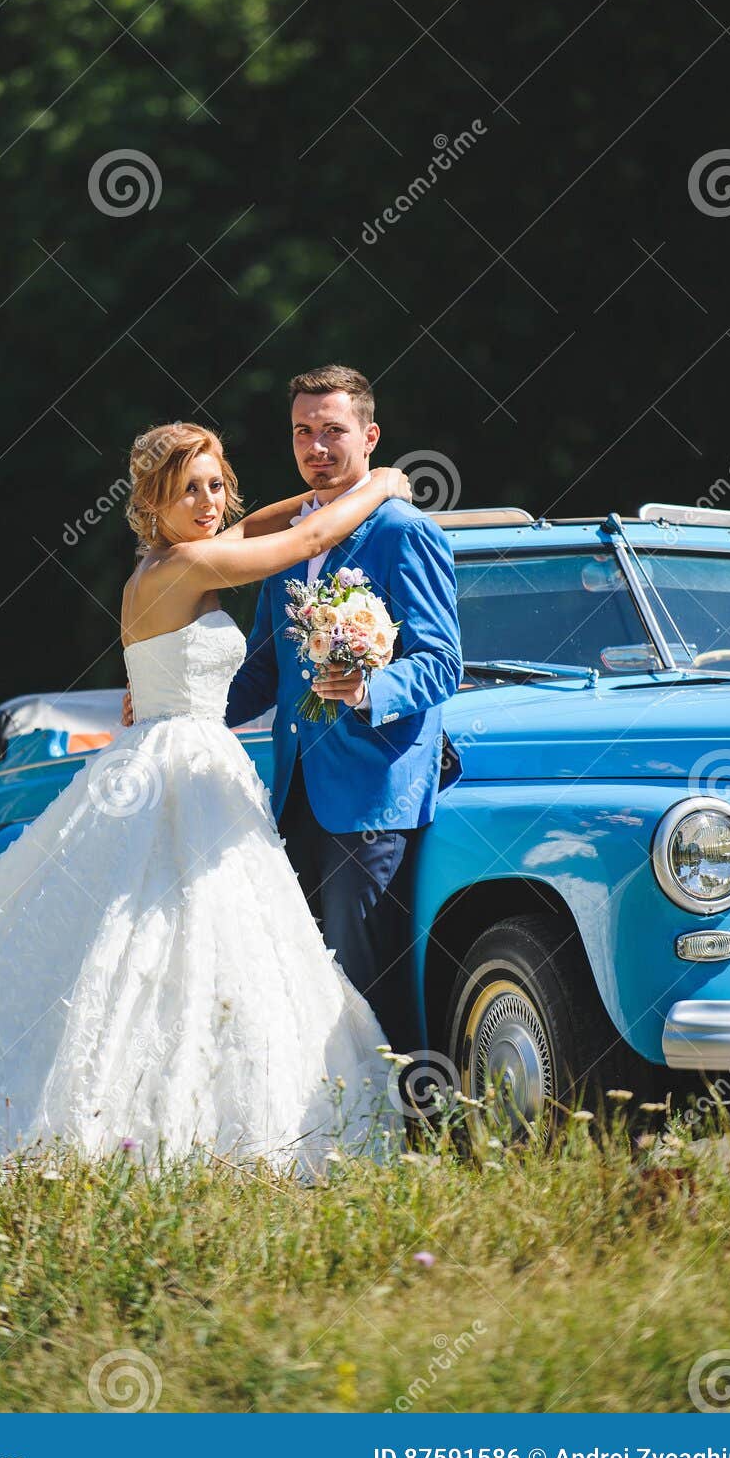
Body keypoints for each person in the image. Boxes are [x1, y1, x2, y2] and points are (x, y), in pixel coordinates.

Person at [0, 422, 412, 1175]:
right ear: (153, 503)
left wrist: (315, 493)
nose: (207, 503)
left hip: (180, 755)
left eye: (212, 483)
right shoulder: (187, 566)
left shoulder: (179, 557)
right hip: (179, 764)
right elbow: (300, 547)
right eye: (185, 491)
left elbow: (261, 525)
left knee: (194, 936)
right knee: (165, 931)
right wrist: (378, 485)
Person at [224, 366, 462, 1053]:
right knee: (300, 974)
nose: (316, 447)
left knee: (364, 981)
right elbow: (266, 667)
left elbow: (440, 662)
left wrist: (365, 691)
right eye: (303, 431)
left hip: (370, 795)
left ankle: (391, 1131)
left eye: (333, 430)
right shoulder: (288, 540)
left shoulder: (402, 531)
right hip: (293, 787)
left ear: (370, 436)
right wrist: (189, 714)